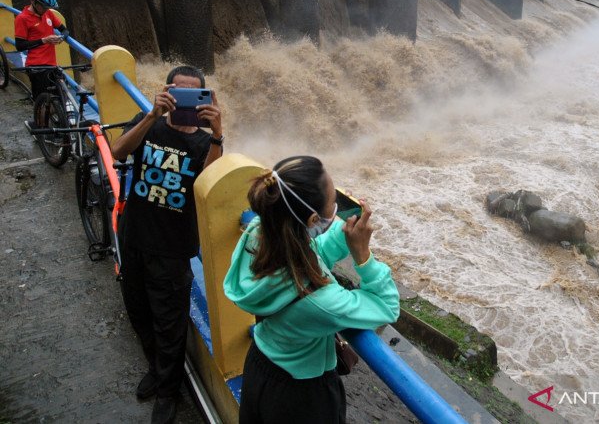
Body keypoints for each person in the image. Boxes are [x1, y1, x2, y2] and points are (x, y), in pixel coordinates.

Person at [224, 157, 400, 423]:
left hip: (260, 367)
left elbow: (311, 253)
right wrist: (363, 256)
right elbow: (387, 306)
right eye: (334, 202)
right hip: (301, 398)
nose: (337, 205)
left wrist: (344, 231)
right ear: (314, 219)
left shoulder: (260, 233)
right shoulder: (319, 300)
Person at [111, 65, 224, 424]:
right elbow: (117, 152)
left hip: (173, 249)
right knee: (138, 310)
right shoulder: (149, 122)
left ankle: (168, 392)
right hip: (134, 237)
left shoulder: (206, 143)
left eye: (194, 93)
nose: (184, 99)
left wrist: (219, 134)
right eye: (177, 91)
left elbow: (208, 188)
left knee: (169, 324)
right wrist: (151, 115)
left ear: (205, 98)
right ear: (166, 91)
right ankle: (157, 371)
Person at [13, 0, 68, 106]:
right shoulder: (22, 18)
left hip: (51, 63)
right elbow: (20, 46)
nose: (46, 9)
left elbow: (64, 29)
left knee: (62, 95)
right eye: (43, 6)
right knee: (41, 101)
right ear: (33, 1)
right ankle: (39, 124)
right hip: (35, 66)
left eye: (48, 7)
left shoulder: (48, 13)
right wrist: (44, 40)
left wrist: (62, 37)